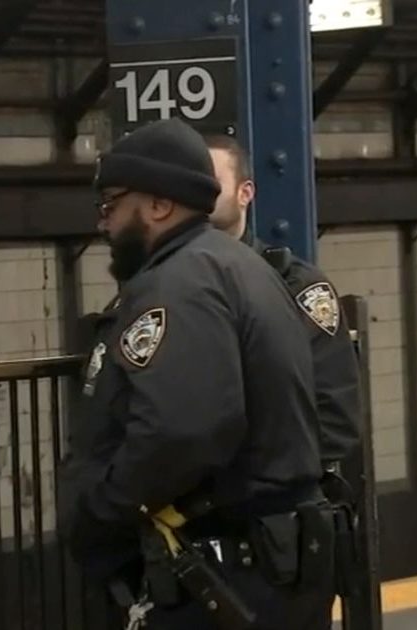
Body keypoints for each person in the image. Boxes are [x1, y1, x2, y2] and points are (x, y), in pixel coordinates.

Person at [56, 118, 336, 630]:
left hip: (227, 568)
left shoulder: (178, 283)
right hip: (274, 559)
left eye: (114, 204)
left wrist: (102, 510)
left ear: (160, 206)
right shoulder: (241, 268)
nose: (105, 222)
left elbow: (183, 429)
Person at [203, 133, 363, 470]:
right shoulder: (159, 288)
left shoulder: (296, 287)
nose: (198, 196)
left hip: (264, 500)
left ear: (245, 193)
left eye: (211, 183)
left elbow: (335, 421)